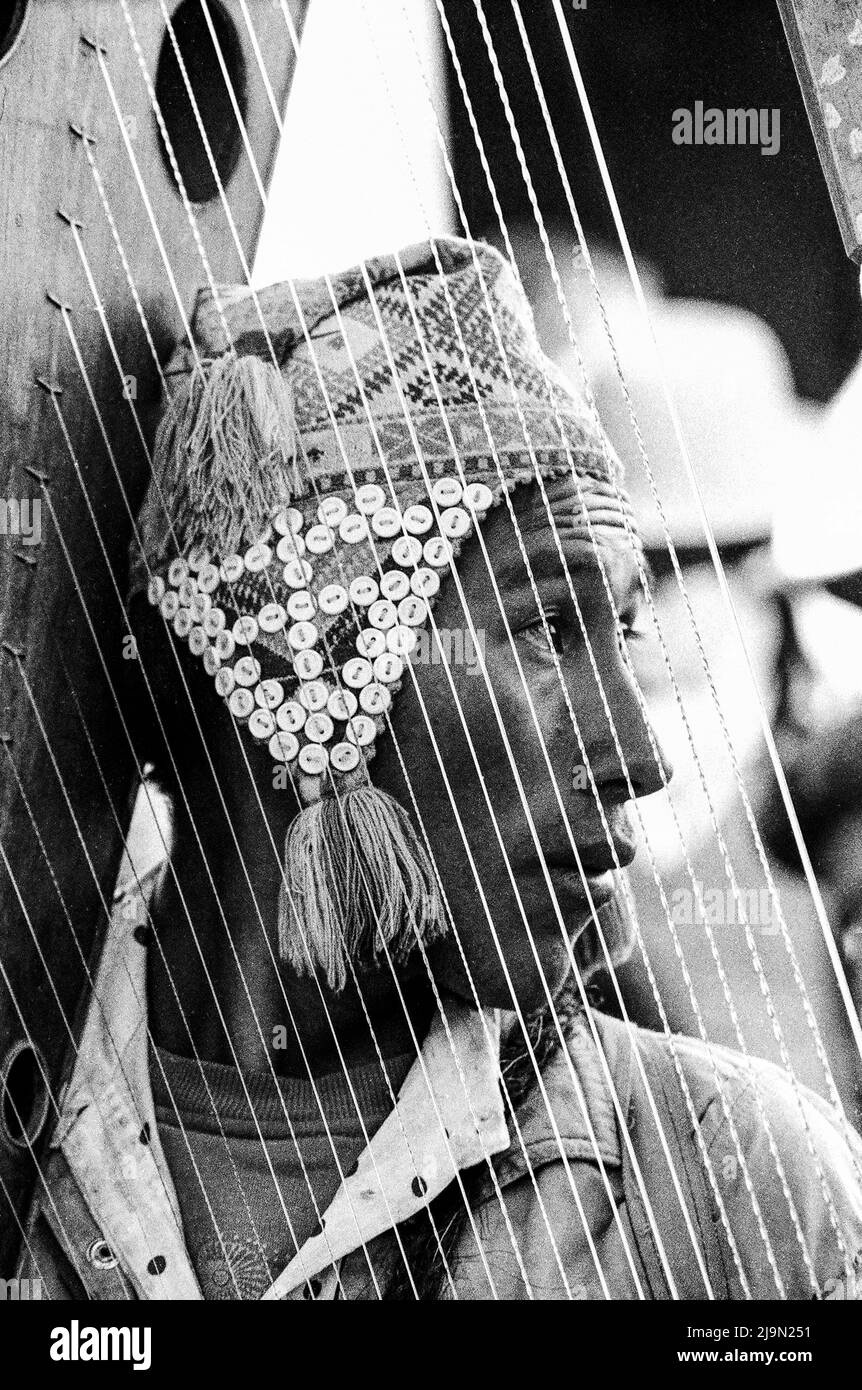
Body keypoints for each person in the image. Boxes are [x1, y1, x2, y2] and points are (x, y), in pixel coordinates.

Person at [17, 238, 862, 1300]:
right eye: (550, 629)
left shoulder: (743, 1202)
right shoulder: (32, 1111)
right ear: (310, 668)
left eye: (631, 627)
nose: (641, 757)